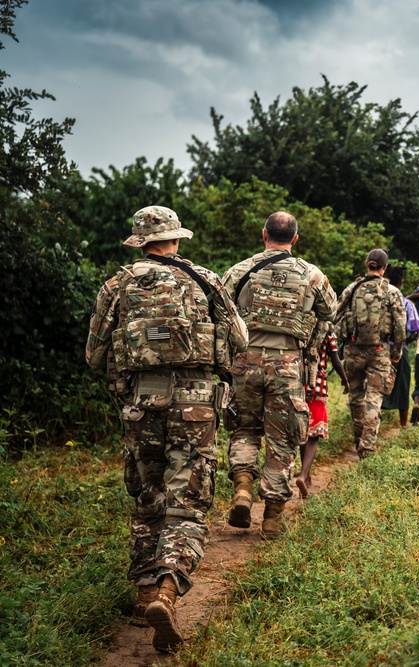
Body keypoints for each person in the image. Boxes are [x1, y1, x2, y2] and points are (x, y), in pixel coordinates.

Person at [85, 206, 249, 653]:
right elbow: (239, 338)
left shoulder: (117, 284)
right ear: (176, 239)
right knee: (188, 501)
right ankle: (167, 590)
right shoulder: (205, 280)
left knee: (147, 495)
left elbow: (94, 354)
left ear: (139, 240)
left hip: (142, 402)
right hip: (196, 402)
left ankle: (142, 597)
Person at [222, 212, 338, 539]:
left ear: (264, 235)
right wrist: (310, 347)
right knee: (282, 437)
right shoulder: (312, 275)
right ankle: (272, 516)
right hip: (287, 364)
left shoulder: (238, 271)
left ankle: (243, 486)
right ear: (295, 239)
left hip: (244, 362)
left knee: (244, 427)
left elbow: (218, 312)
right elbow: (330, 315)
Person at [334, 249, 407, 458]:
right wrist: (397, 351)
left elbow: (335, 313)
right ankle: (367, 447)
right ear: (385, 267)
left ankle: (359, 440)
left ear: (367, 263)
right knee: (374, 398)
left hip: (353, 349)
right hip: (379, 350)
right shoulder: (392, 291)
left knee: (356, 397)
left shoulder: (352, 288)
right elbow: (400, 325)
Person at [296, 321, 349, 498]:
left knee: (303, 429)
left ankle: (306, 474)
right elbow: (335, 360)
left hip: (297, 382)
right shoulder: (329, 332)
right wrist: (344, 379)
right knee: (315, 433)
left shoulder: (301, 325)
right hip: (318, 385)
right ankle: (304, 474)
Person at [382, 266, 419, 428]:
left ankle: (374, 420)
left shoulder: (379, 300)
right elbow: (416, 329)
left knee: (377, 384)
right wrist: (408, 341)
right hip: (401, 348)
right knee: (403, 384)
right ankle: (403, 424)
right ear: (400, 282)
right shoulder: (407, 303)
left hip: (380, 348)